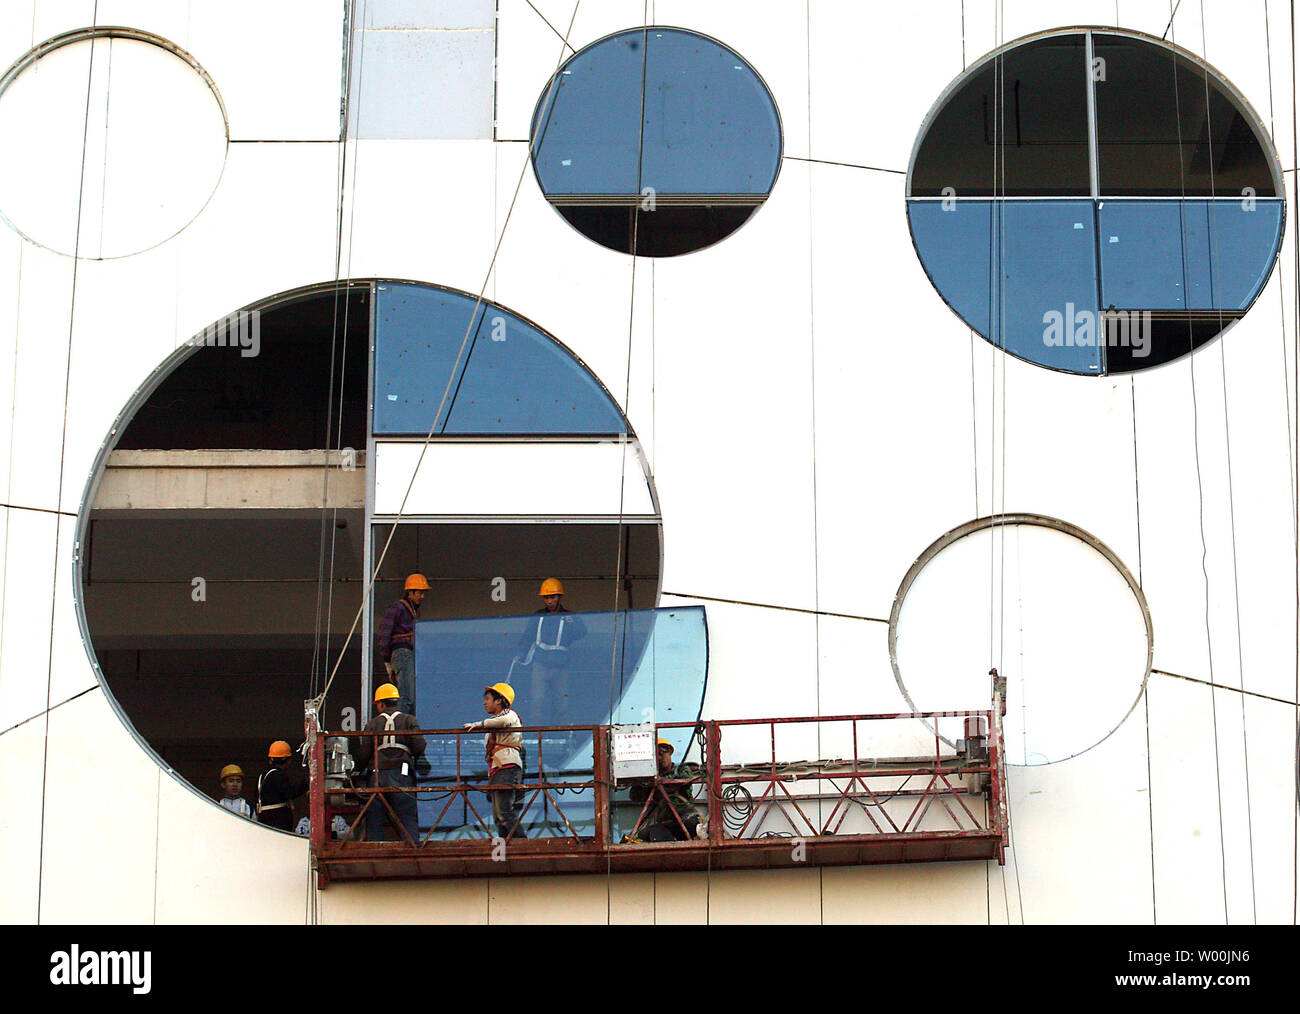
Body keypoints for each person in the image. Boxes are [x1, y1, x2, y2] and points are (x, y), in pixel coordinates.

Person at [354, 682, 426, 845]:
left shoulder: (372, 724)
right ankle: (412, 849)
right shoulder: (409, 720)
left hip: (378, 775)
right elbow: (419, 746)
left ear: (380, 704)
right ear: (396, 702)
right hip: (402, 774)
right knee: (406, 815)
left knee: (375, 817)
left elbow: (364, 753)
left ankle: (375, 848)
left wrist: (356, 769)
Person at [463, 682, 526, 840]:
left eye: (488, 699)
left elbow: (501, 722)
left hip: (507, 767)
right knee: (498, 815)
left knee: (504, 811)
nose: (485, 702)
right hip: (499, 768)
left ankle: (521, 842)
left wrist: (478, 725)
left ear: (499, 700)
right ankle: (506, 843)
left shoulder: (510, 715)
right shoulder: (496, 720)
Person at [513, 578, 587, 711]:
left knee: (562, 703)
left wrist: (572, 623)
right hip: (540, 664)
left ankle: (560, 731)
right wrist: (520, 654)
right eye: (546, 598)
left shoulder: (569, 616)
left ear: (559, 597)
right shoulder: (539, 616)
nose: (549, 601)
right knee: (537, 701)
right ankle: (537, 731)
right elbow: (528, 636)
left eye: (552, 597)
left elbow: (582, 633)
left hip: (561, 665)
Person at [627, 739, 703, 842]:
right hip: (666, 823)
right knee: (646, 833)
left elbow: (684, 780)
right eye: (655, 755)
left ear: (670, 752)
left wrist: (659, 782)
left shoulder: (682, 769)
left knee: (692, 824)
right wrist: (641, 779)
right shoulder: (652, 778)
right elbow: (635, 796)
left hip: (685, 818)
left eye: (661, 753)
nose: (659, 758)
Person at [377, 572, 429, 713]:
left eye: (424, 593)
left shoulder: (412, 611)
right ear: (410, 592)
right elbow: (384, 633)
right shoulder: (398, 608)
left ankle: (403, 727)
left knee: (410, 696)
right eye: (419, 593)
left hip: (408, 653)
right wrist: (387, 660)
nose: (422, 596)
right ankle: (400, 730)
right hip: (402, 652)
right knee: (407, 696)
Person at [256, 741, 309, 831]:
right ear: (288, 761)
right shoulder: (277, 775)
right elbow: (289, 793)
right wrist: (307, 782)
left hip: (264, 820)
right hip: (277, 822)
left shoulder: (263, 775)